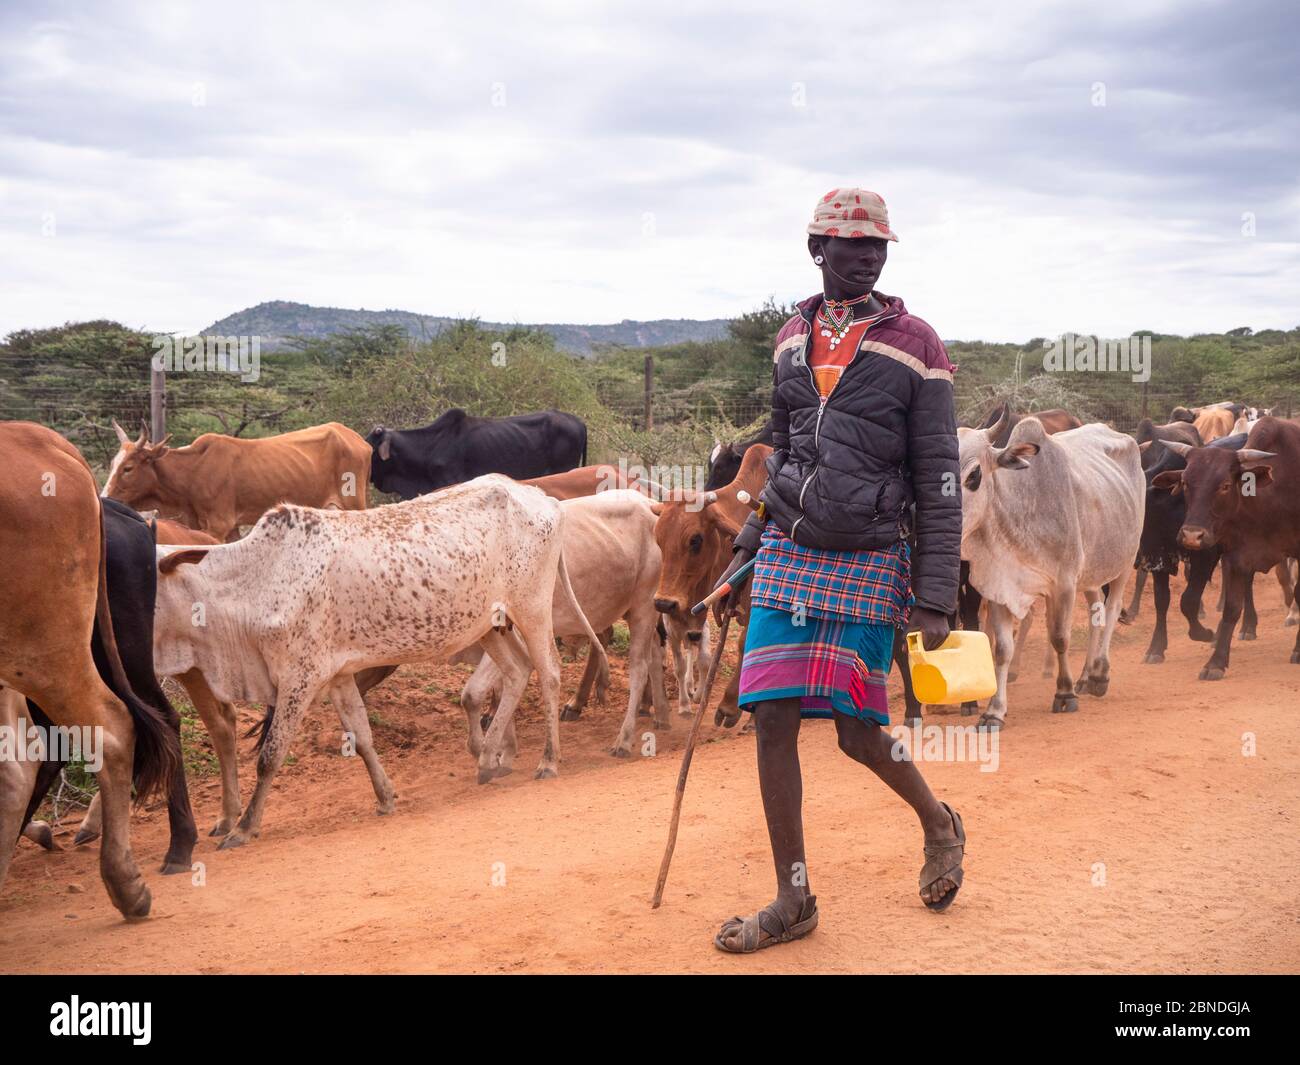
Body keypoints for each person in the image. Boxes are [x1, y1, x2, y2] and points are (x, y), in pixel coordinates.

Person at [713, 188, 966, 954]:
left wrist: (934, 593)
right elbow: (785, 451)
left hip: (867, 554)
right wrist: (746, 547)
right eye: (850, 245)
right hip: (789, 545)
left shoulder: (917, 344)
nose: (866, 256)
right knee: (772, 718)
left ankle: (938, 822)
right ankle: (794, 901)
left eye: (877, 247)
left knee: (858, 730)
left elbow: (940, 476)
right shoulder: (790, 340)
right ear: (816, 248)